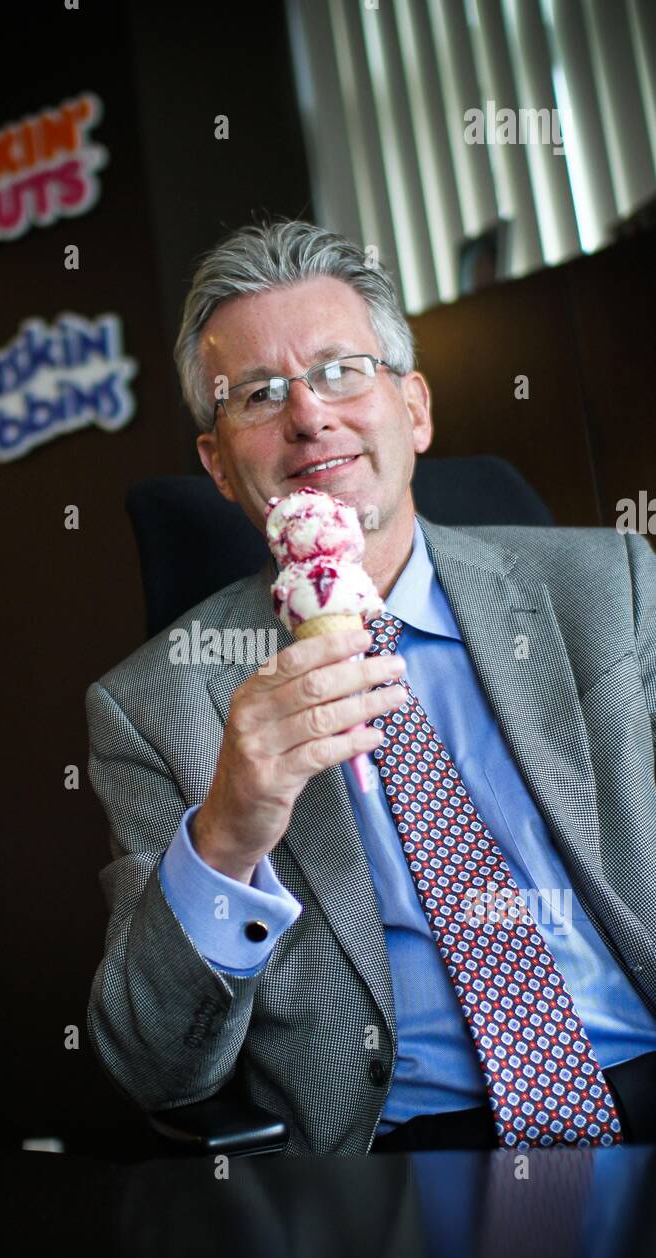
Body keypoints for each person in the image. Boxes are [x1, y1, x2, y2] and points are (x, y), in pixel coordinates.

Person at [85, 218, 656, 1155]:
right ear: (219, 465)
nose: (309, 416)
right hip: (411, 1152)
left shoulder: (611, 591)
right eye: (260, 394)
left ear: (416, 409)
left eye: (343, 369)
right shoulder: (153, 710)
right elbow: (154, 1066)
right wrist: (225, 837)